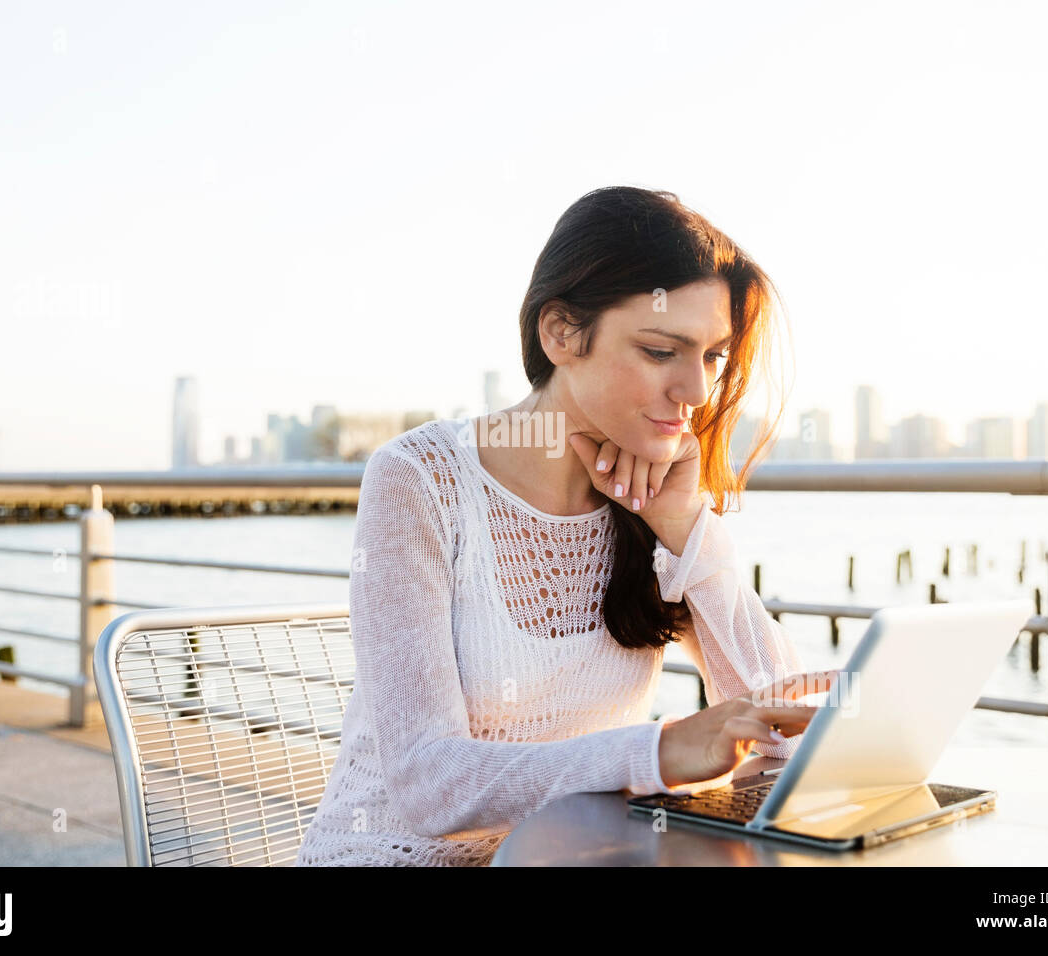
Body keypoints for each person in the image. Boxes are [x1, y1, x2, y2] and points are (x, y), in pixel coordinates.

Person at [295, 185, 833, 866]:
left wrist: (686, 526)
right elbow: (427, 787)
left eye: (713, 357)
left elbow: (786, 724)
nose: (696, 391)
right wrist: (659, 750)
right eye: (662, 350)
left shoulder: (652, 504)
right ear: (561, 333)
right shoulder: (422, 478)